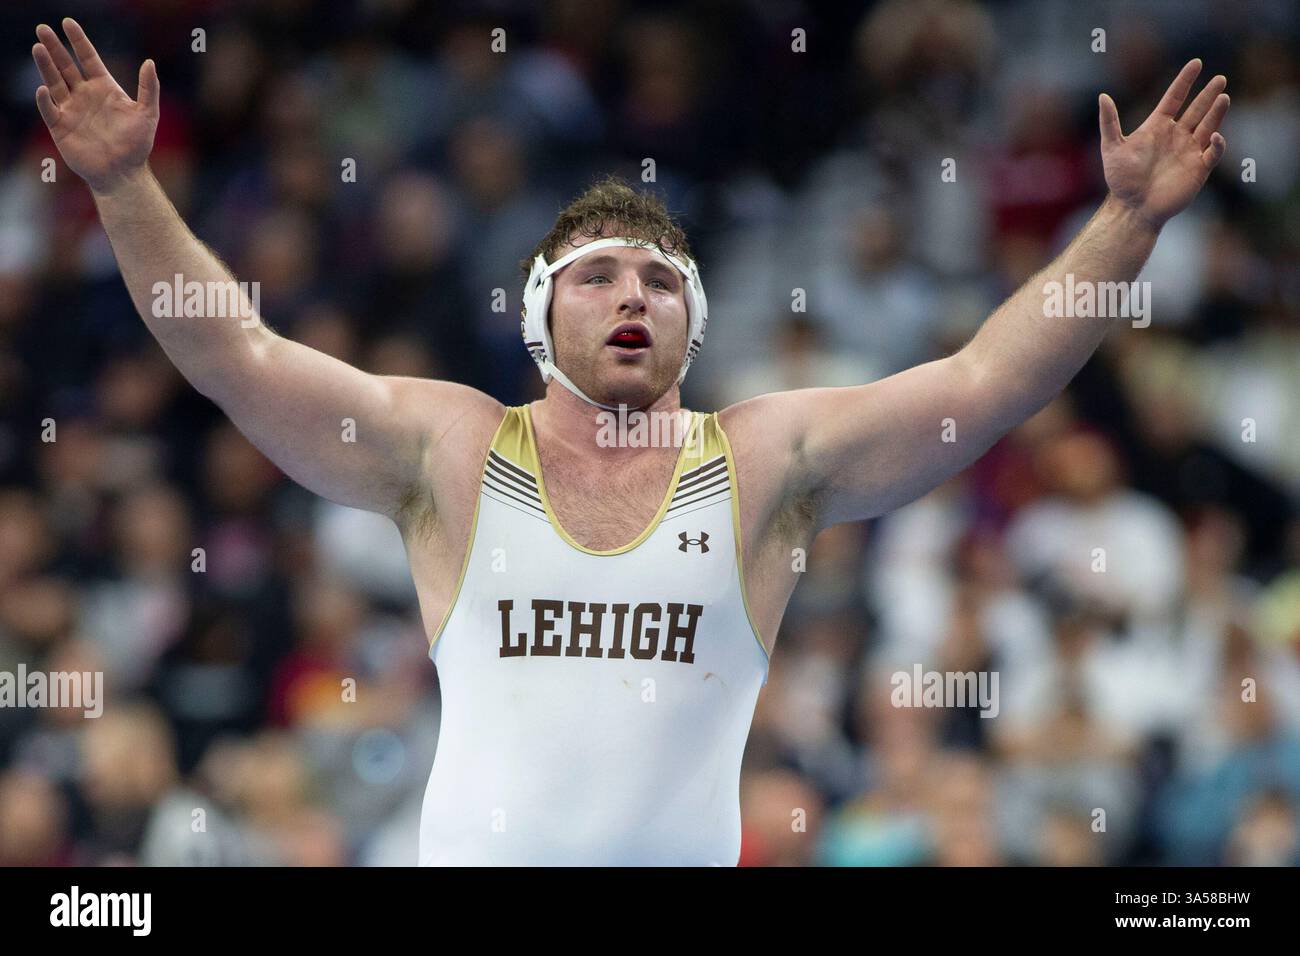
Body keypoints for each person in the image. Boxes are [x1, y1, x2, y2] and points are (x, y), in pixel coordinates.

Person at [31, 18, 1231, 865]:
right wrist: (129, 188)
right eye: (598, 274)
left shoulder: (767, 462)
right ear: (540, 312)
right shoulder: (446, 451)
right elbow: (235, 356)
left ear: (693, 325)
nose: (631, 295)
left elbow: (986, 377)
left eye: (661, 280)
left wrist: (1124, 221)